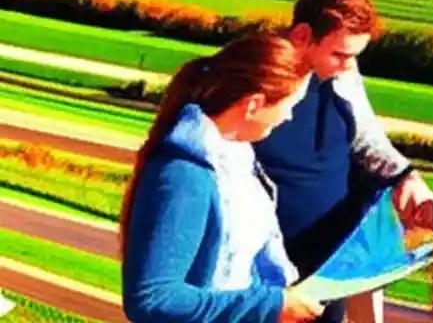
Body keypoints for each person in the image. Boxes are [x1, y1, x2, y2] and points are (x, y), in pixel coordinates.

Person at [253, 0, 433, 323]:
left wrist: (406, 176)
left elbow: (367, 140)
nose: (349, 65)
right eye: (340, 54)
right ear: (303, 36)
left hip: (329, 274)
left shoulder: (342, 76)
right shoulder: (250, 82)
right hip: (266, 284)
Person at [121, 32, 322, 323]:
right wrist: (272, 305)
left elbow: (239, 267)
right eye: (289, 105)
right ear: (253, 104)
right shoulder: (184, 177)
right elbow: (153, 299)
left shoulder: (237, 161)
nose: (289, 117)